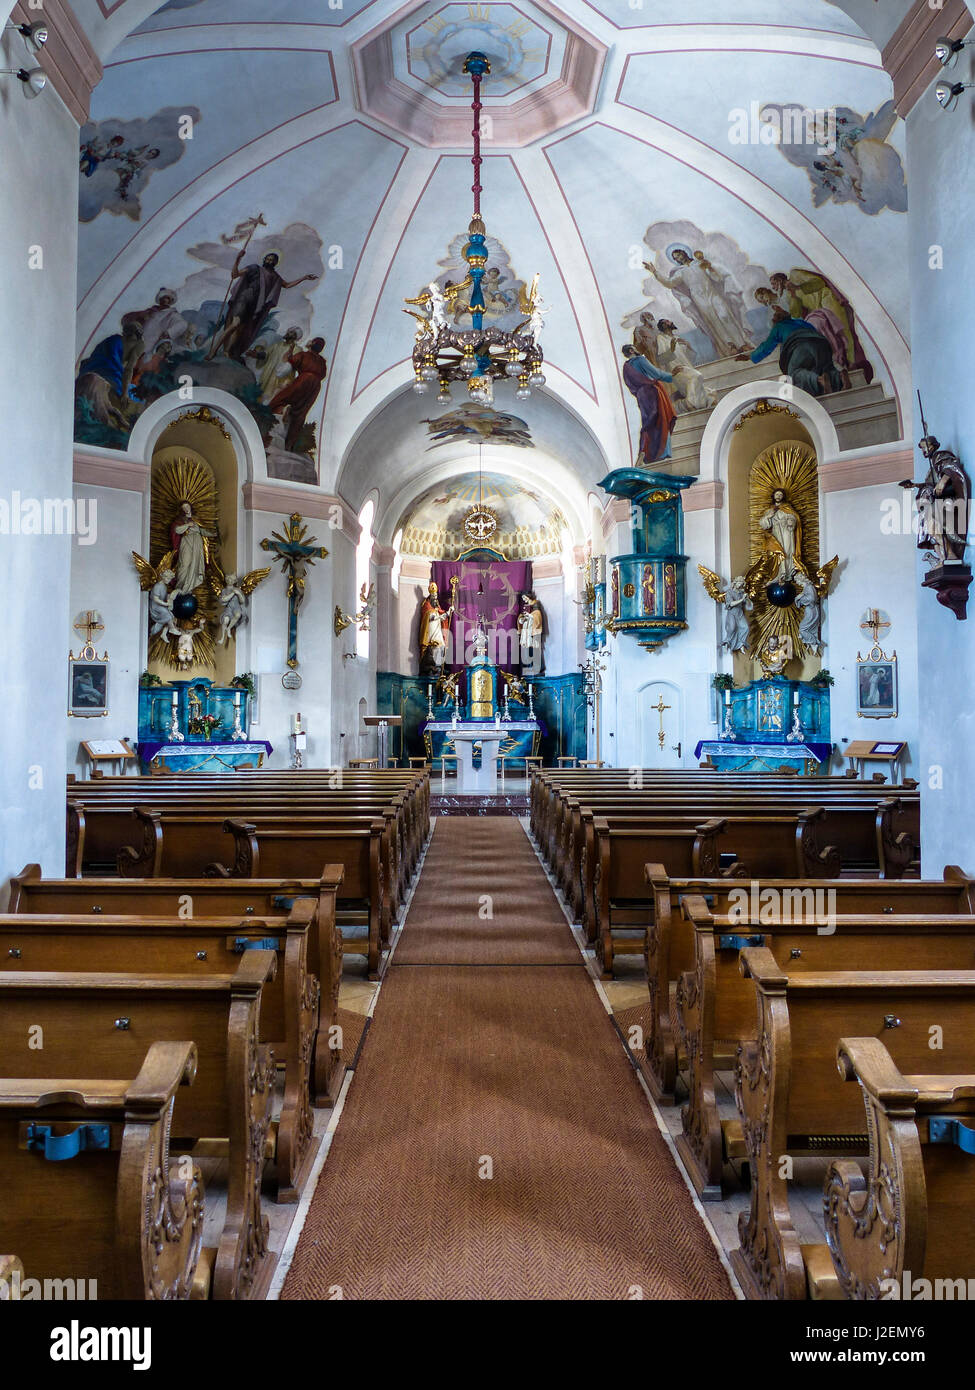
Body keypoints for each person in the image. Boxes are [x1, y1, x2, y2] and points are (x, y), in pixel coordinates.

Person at [645, 245, 752, 359]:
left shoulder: (699, 263)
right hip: (699, 299)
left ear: (684, 253)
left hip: (712, 293)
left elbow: (717, 278)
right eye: (676, 258)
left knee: (725, 316)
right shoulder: (681, 272)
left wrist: (710, 268)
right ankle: (730, 346)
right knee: (714, 321)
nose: (679, 259)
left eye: (679, 255)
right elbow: (669, 283)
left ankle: (742, 343)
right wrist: (655, 272)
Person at [208, 250, 318, 361]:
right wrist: (238, 258)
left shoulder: (275, 276)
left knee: (240, 329)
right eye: (268, 259)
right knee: (234, 324)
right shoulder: (254, 268)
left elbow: (287, 285)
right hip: (244, 300)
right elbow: (234, 275)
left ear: (275, 263)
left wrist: (304, 278)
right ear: (264, 259)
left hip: (255, 306)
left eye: (272, 260)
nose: (269, 261)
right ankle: (214, 350)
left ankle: (227, 351)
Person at [736, 306, 841, 396]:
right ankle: (840, 377)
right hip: (821, 344)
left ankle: (820, 380)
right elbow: (814, 331)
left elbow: (766, 347)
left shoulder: (779, 327)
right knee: (826, 367)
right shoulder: (800, 322)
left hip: (800, 345)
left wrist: (750, 356)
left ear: (775, 320)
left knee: (794, 372)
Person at [267, 336, 327, 453]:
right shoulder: (322, 362)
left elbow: (284, 370)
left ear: (312, 343)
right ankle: (289, 445)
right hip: (315, 387)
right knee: (301, 414)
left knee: (281, 398)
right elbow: (323, 375)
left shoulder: (304, 355)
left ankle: (283, 409)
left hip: (304, 380)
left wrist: (289, 352)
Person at [621, 344, 679, 464]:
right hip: (652, 393)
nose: (638, 349)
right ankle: (663, 452)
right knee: (661, 420)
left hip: (642, 396)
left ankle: (650, 453)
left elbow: (630, 385)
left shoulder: (626, 367)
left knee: (649, 423)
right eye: (635, 347)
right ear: (631, 350)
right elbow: (656, 373)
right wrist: (673, 377)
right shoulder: (639, 360)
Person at [655, 318, 715, 412]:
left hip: (687, 368)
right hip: (677, 371)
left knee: (705, 394)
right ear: (664, 325)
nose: (671, 322)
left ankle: (681, 405)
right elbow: (661, 359)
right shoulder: (661, 338)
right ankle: (688, 404)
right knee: (697, 376)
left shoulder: (677, 337)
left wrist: (688, 345)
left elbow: (690, 357)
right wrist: (671, 348)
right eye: (667, 321)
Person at [170, 501, 216, 595]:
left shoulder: (196, 519)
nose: (186, 509)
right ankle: (180, 586)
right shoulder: (180, 520)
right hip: (186, 542)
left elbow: (202, 531)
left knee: (195, 565)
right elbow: (177, 530)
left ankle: (188, 588)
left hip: (197, 543)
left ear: (190, 507)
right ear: (182, 510)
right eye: (184, 507)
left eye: (187, 506)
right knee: (184, 564)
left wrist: (213, 534)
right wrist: (187, 525)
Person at [419, 581, 454, 675]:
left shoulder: (436, 608)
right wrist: (439, 616)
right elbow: (430, 617)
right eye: (433, 596)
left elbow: (441, 615)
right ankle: (434, 667)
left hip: (437, 630)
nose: (435, 598)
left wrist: (448, 612)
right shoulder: (426, 605)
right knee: (434, 647)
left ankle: (439, 666)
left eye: (436, 596)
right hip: (430, 632)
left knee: (442, 646)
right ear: (430, 596)